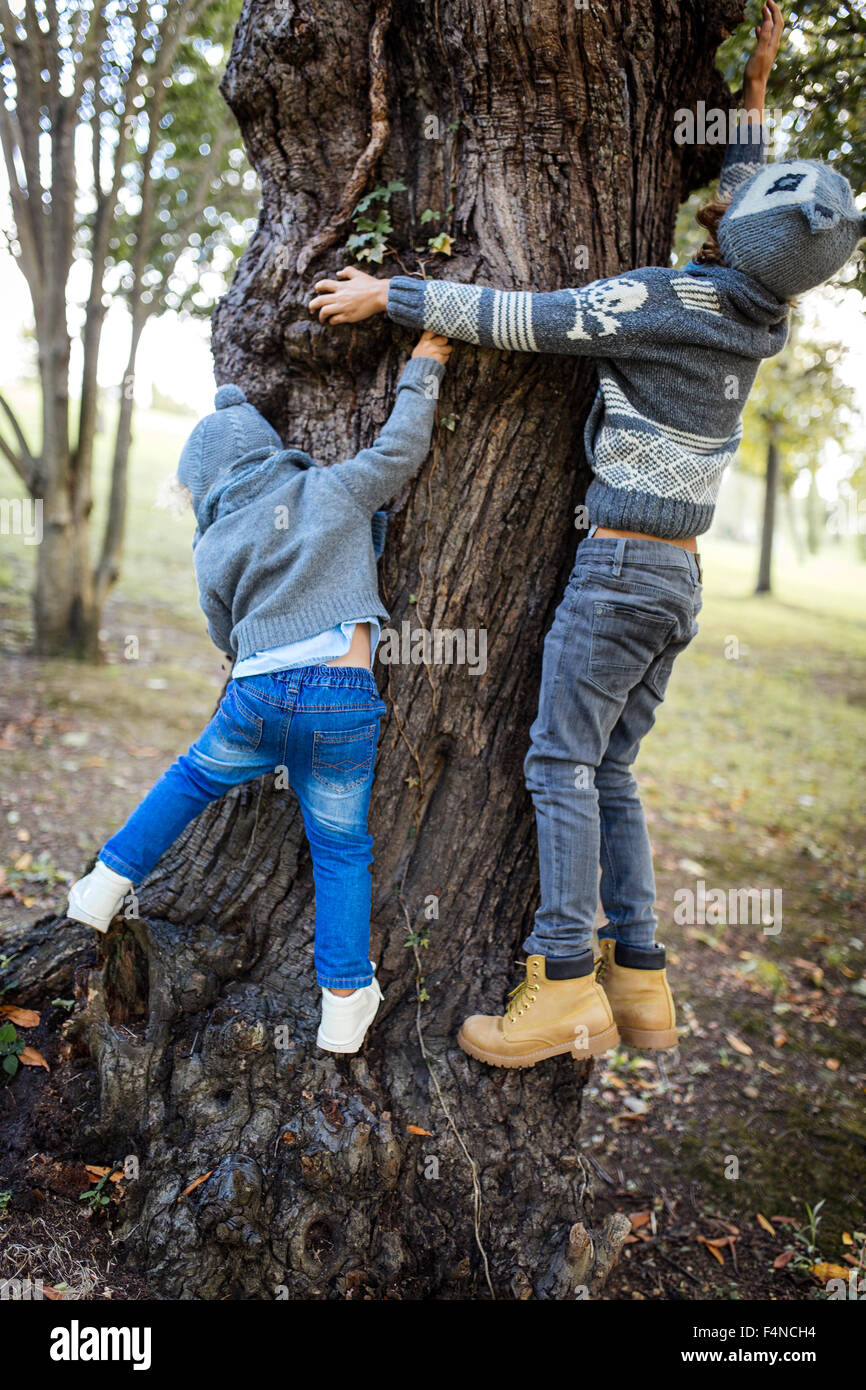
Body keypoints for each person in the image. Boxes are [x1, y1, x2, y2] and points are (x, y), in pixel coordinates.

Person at [309, 3, 865, 1068]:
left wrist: (393, 293)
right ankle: (640, 978)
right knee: (608, 771)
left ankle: (562, 978)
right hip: (676, 582)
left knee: (558, 763)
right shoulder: (758, 314)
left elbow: (529, 319)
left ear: (734, 230)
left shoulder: (662, 299)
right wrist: (750, 93)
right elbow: (761, 216)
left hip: (616, 572)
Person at [66, 330, 452, 1055]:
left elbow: (224, 633)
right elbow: (401, 452)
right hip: (342, 699)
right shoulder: (328, 489)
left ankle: (104, 884)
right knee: (340, 850)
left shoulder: (211, 544)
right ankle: (342, 1002)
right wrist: (425, 367)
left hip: (257, 697)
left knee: (188, 781)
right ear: (269, 450)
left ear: (207, 484)